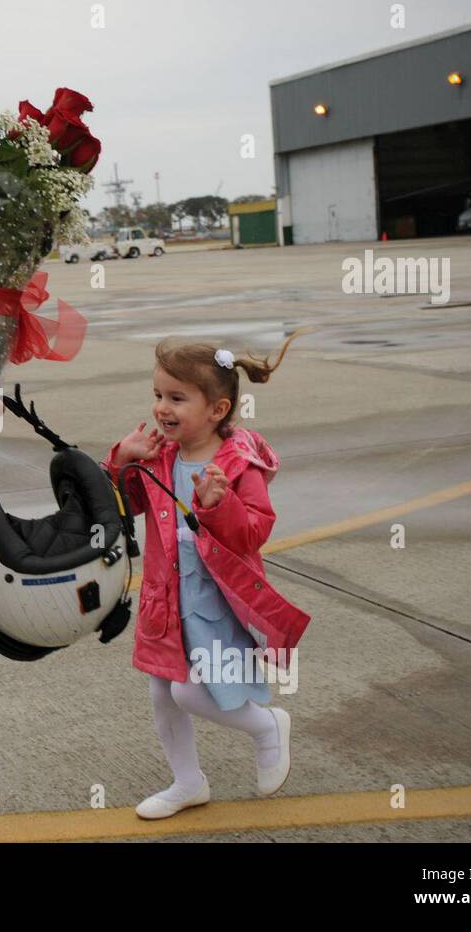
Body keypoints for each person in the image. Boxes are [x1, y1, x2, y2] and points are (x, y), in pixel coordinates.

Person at [102, 334, 303, 820]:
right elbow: (122, 506)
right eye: (157, 395)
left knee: (191, 690)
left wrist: (220, 506)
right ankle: (187, 782)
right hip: (166, 601)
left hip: (216, 605)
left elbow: (255, 531)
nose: (161, 409)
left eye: (176, 398)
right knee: (162, 692)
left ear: (217, 409)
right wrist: (123, 459)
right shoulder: (158, 456)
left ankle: (266, 727)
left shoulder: (237, 465)